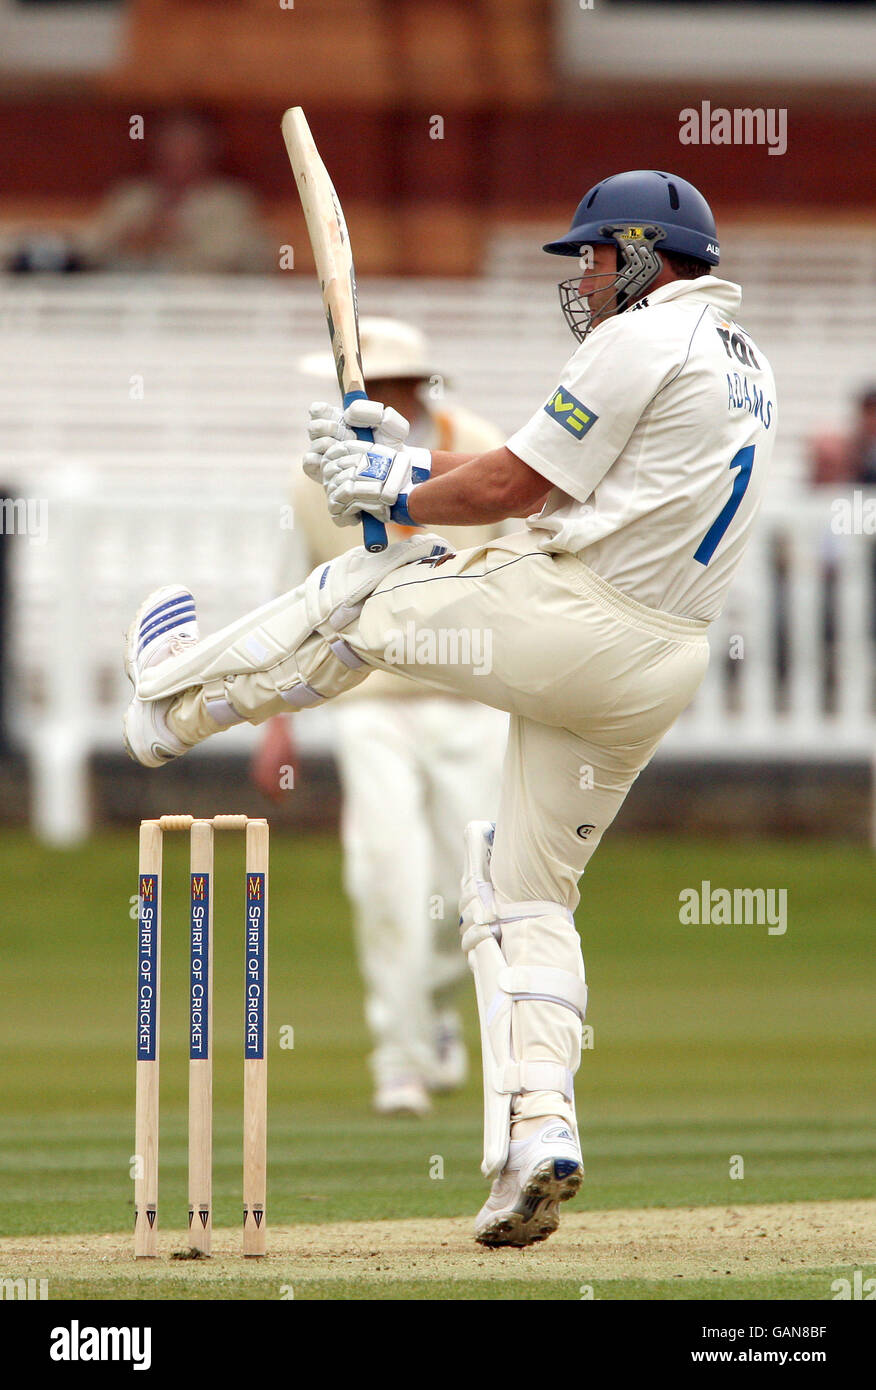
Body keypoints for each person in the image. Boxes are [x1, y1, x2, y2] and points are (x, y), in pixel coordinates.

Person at [122, 170, 777, 1247]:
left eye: (597, 256)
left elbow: (517, 488)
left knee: (363, 593)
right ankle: (539, 1137)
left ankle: (166, 705)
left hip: (580, 618)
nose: (586, 276)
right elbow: (557, 478)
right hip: (662, 663)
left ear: (646, 253)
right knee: (523, 892)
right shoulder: (745, 361)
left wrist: (395, 487)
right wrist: (400, 466)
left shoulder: (640, 339)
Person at [252, 317, 509, 1116]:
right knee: (384, 881)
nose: (361, 398)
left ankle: (431, 1012)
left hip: (474, 699)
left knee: (473, 890)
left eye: (380, 387)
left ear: (412, 390)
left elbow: (527, 563)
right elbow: (293, 593)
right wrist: (276, 723)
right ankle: (397, 1058)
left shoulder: (484, 447)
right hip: (373, 703)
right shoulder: (316, 474)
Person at [79, 110, 272, 274]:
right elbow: (88, 249)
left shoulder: (229, 202)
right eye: (171, 148)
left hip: (203, 304)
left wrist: (175, 235)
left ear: (208, 152)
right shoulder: (132, 197)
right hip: (128, 301)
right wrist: (132, 236)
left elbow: (244, 256)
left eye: (188, 149)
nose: (178, 157)